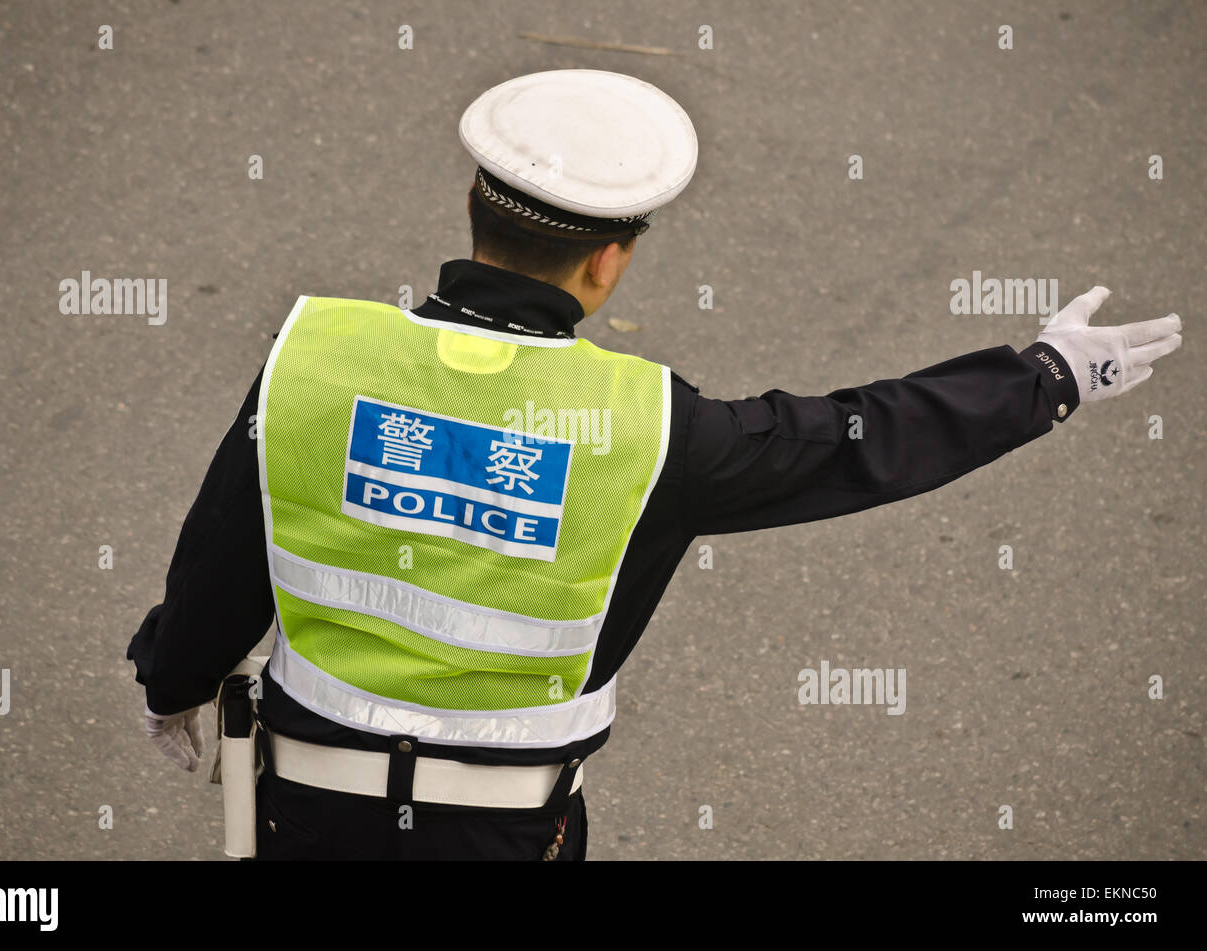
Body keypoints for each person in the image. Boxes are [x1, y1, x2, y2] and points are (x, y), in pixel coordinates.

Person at [128, 68, 1183, 861]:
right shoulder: (650, 429)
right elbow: (855, 437)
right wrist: (1042, 375)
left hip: (301, 814)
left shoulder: (311, 358)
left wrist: (173, 681)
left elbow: (221, 553)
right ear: (607, 260)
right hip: (506, 833)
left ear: (473, 208)